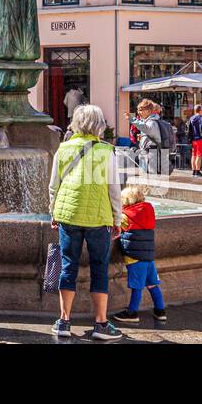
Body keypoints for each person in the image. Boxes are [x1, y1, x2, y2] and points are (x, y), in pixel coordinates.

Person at [48, 104, 123, 341]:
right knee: (99, 267)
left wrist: (54, 211)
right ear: (98, 125)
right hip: (97, 218)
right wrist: (117, 218)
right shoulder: (105, 150)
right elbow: (114, 189)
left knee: (68, 265)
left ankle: (64, 321)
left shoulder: (64, 148)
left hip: (68, 215)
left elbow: (54, 186)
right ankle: (101, 324)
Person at [111, 185, 167, 325]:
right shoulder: (148, 212)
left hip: (134, 258)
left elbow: (115, 226)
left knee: (137, 286)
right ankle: (160, 311)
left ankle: (132, 312)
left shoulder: (125, 216)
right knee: (153, 284)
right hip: (148, 257)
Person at [134, 99, 172, 175]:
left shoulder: (152, 122)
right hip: (147, 152)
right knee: (146, 176)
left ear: (149, 111)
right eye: (138, 110)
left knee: (151, 176)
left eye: (141, 110)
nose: (139, 112)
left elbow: (146, 128)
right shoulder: (149, 121)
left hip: (151, 153)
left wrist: (132, 119)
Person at [186, 104, 202, 176]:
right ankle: (197, 171)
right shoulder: (201, 118)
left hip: (193, 140)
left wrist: (190, 139)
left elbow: (189, 130)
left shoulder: (191, 118)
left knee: (193, 155)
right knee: (199, 155)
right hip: (200, 140)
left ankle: (194, 171)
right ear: (200, 110)